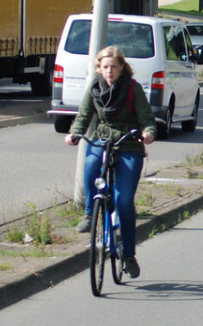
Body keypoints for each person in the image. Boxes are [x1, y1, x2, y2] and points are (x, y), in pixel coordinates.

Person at [65, 45, 156, 279]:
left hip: (128, 143)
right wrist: (75, 133)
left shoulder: (133, 89)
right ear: (99, 68)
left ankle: (128, 255)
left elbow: (147, 118)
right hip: (103, 139)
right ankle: (89, 213)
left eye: (113, 67)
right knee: (90, 164)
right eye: (105, 67)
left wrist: (148, 132)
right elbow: (84, 115)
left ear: (122, 67)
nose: (109, 71)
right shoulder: (95, 88)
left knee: (123, 201)